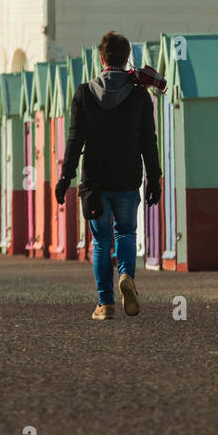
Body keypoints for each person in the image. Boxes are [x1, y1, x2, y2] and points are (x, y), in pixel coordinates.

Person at [56, 31, 161, 320]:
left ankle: (105, 304)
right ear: (127, 59)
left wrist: (65, 178)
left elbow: (75, 140)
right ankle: (126, 275)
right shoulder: (140, 95)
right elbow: (148, 141)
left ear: (101, 59)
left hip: (95, 181)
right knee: (126, 232)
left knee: (101, 241)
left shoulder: (84, 93)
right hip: (127, 177)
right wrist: (155, 177)